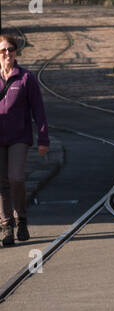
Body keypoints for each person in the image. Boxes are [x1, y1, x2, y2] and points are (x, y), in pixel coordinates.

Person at [0, 32, 50, 246]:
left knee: (16, 178)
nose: (6, 54)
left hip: (19, 137)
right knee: (1, 183)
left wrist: (43, 138)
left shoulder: (26, 77)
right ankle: (6, 226)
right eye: (2, 50)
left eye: (10, 49)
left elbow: (38, 110)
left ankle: (22, 219)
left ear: (16, 51)